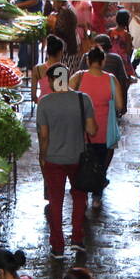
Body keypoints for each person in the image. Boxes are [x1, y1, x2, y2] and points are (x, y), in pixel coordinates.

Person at [36, 64, 97, 258]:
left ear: (53, 80)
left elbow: (44, 136)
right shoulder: (83, 99)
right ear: (67, 77)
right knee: (79, 198)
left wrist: (42, 156)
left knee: (56, 201)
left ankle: (57, 246)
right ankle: (77, 240)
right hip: (78, 157)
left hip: (53, 159)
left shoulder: (44, 103)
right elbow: (92, 130)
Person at [69, 47, 124, 208]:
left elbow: (66, 95)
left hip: (82, 130)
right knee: (100, 164)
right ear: (103, 61)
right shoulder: (111, 79)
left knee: (82, 164)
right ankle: (97, 197)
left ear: (87, 61)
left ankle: (82, 195)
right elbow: (120, 105)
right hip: (104, 130)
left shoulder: (78, 77)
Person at [89, 33, 130, 110]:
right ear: (109, 47)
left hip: (89, 99)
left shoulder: (87, 57)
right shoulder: (116, 58)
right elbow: (123, 81)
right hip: (110, 100)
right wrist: (124, 104)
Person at [31, 35, 66, 102]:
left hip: (42, 105)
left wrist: (40, 103)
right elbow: (64, 95)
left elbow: (33, 96)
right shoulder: (63, 69)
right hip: (58, 107)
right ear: (60, 52)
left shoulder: (37, 69)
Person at [108, 10, 136, 81]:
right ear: (127, 21)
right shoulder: (127, 35)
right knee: (123, 80)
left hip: (111, 59)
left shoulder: (110, 31)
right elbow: (128, 51)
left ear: (116, 19)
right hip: (123, 60)